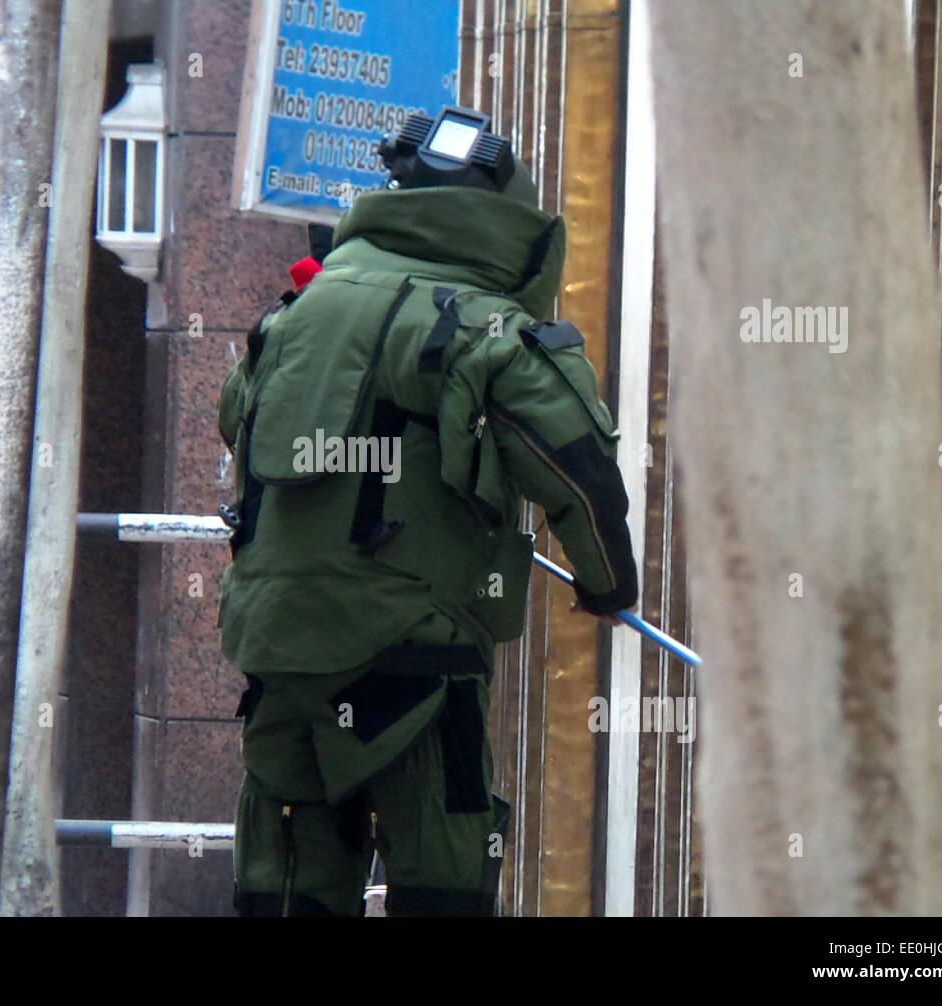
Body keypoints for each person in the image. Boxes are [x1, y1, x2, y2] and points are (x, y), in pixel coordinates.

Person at [217, 107, 639, 917]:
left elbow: (234, 418)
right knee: (441, 881)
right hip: (414, 669)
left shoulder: (291, 316)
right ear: (505, 219)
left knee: (288, 890)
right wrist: (608, 585)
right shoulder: (484, 325)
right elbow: (578, 472)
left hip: (278, 665)